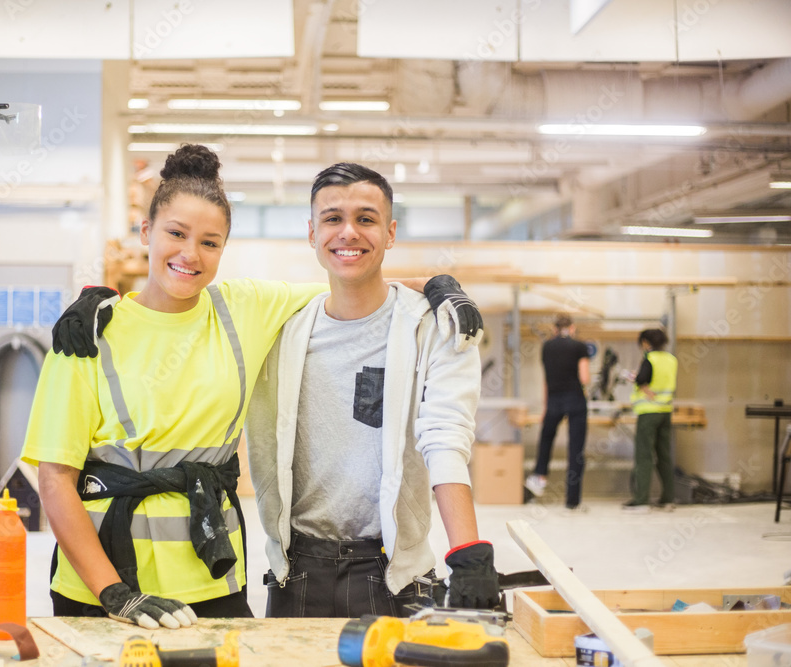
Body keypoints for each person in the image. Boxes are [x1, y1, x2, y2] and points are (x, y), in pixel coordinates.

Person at [31, 145, 484, 629]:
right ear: (145, 232)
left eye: (210, 242)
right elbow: (55, 480)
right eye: (176, 234)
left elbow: (353, 277)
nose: (190, 254)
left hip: (211, 576)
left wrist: (439, 285)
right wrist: (114, 592)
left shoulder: (243, 308)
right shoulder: (86, 335)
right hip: (103, 582)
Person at [245, 163, 497, 617]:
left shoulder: (433, 328)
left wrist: (468, 552)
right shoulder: (280, 329)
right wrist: (103, 298)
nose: (348, 233)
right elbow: (191, 302)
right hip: (296, 572)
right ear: (311, 231)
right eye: (332, 219)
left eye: (365, 219)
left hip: (396, 574)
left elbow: (445, 437)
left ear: (390, 231)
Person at [524, 314, 590, 511]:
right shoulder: (580, 346)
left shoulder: (547, 347)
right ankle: (572, 500)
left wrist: (546, 407)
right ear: (572, 328)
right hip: (576, 399)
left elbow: (546, 379)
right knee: (575, 450)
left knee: (546, 440)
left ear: (554, 329)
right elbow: (584, 377)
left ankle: (539, 476)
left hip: (553, 399)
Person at [623, 329, 678, 513]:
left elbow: (642, 380)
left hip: (648, 412)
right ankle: (668, 499)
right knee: (664, 456)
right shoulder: (671, 359)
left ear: (646, 342)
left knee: (644, 456)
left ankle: (642, 500)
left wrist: (635, 378)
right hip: (666, 412)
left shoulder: (650, 359)